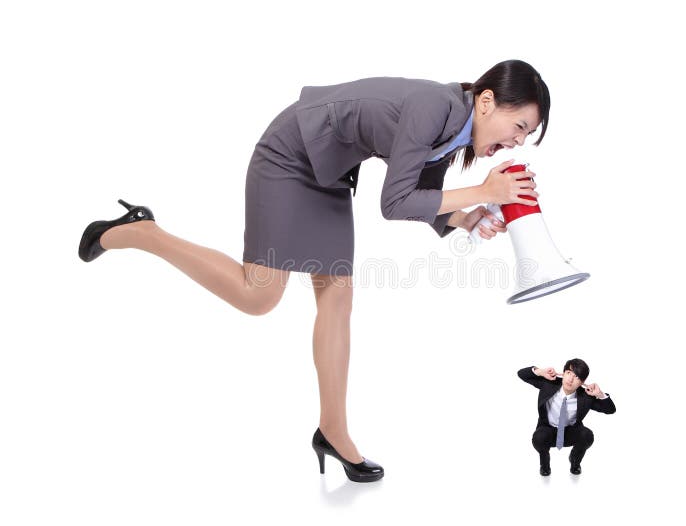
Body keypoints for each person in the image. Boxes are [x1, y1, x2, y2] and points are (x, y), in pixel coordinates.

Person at [78, 59, 549, 483]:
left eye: (527, 136)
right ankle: (144, 232)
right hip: (290, 155)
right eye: (520, 125)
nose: (518, 140)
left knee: (338, 297)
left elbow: (419, 196)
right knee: (257, 296)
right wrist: (483, 192)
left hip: (330, 172)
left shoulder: (457, 130)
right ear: (487, 101)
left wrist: (465, 217)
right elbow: (394, 203)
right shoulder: (434, 105)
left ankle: (333, 431)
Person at [517, 359, 616, 476]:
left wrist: (600, 394)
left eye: (577, 377)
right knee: (538, 438)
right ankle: (544, 464)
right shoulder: (549, 383)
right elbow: (521, 374)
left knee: (587, 435)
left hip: (570, 431)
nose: (570, 379)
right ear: (563, 374)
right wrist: (540, 371)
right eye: (569, 373)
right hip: (548, 429)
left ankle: (575, 461)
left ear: (582, 382)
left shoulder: (586, 396)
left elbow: (610, 410)